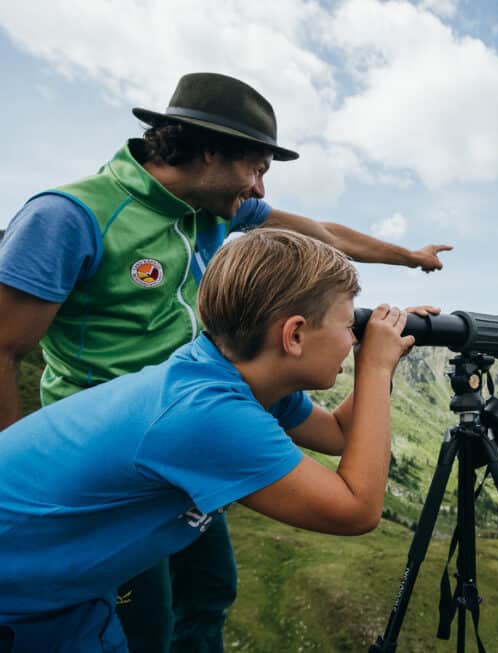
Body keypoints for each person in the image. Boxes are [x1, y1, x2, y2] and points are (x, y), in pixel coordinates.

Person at [0, 72, 450, 652]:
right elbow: (356, 510)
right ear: (209, 151)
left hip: (181, 429)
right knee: (145, 625)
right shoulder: (71, 215)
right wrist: (32, 500)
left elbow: (321, 236)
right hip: (97, 489)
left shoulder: (217, 220)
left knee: (207, 593)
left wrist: (405, 265)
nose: (260, 188)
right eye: (256, 168)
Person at [0, 228, 430, 652]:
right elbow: (356, 510)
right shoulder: (208, 413)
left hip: (62, 587)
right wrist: (374, 369)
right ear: (294, 335)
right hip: (18, 595)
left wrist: (385, 360)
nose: (354, 339)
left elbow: (338, 433)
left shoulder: (226, 373)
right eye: (349, 326)